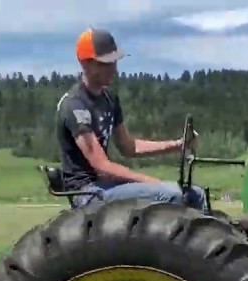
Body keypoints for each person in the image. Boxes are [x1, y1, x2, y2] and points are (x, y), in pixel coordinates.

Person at [54, 28, 213, 213]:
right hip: (88, 193)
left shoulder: (109, 100)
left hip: (106, 186)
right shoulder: (75, 106)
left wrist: (178, 145)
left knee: (195, 194)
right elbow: (102, 166)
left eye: (114, 62)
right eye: (106, 63)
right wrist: (150, 182)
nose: (114, 69)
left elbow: (129, 147)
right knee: (173, 196)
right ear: (86, 64)